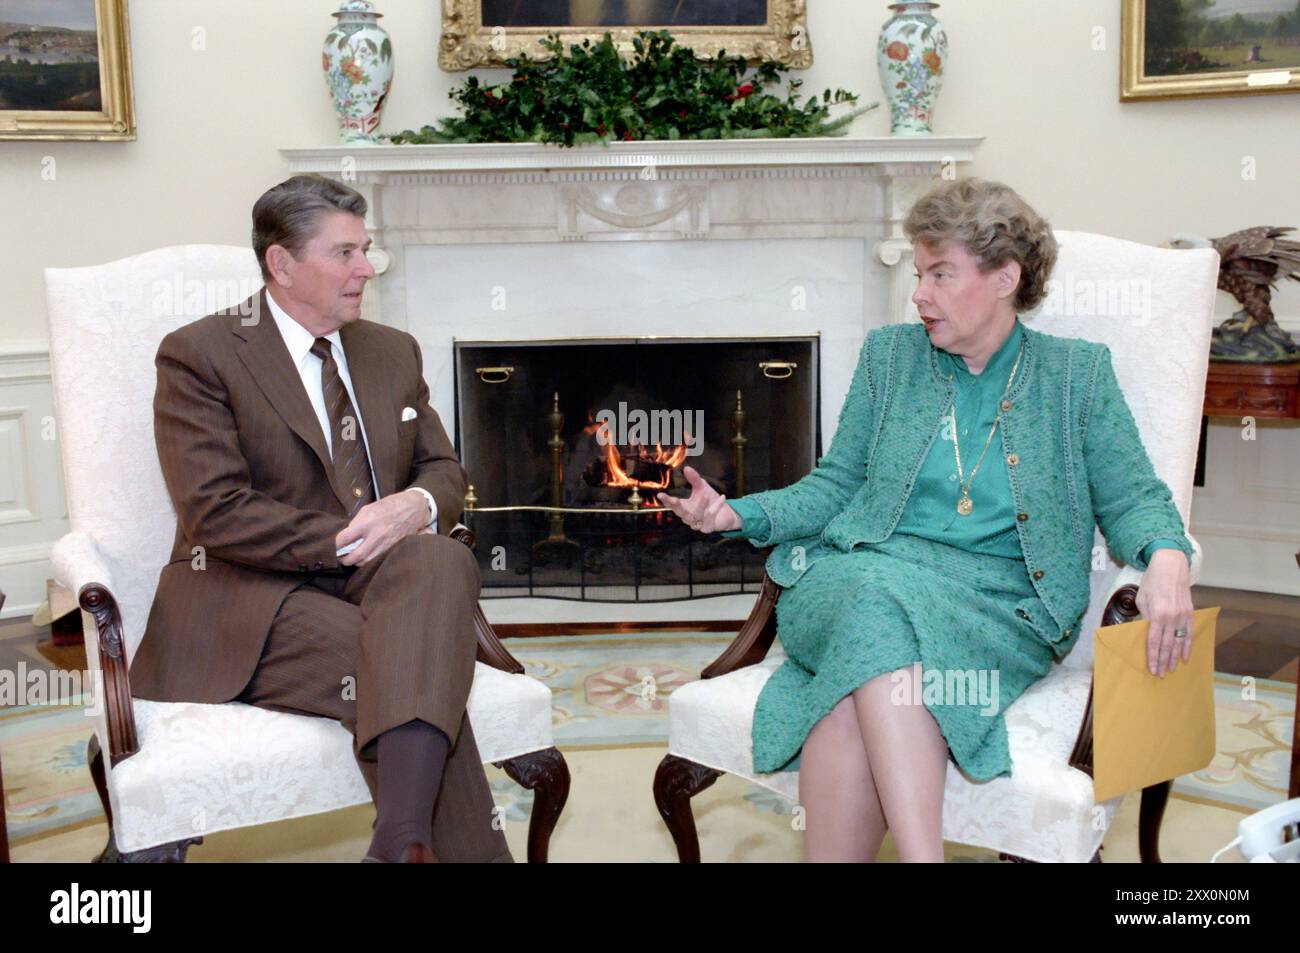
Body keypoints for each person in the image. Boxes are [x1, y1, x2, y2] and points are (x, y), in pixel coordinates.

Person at [658, 178, 1196, 863]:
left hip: (997, 610)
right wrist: (736, 512)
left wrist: (1168, 556)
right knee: (876, 603)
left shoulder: (1076, 377)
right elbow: (838, 483)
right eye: (919, 274)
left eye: (941, 274)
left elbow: (1132, 496)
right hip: (857, 579)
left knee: (846, 709)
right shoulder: (890, 358)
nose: (919, 294)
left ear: (1005, 278)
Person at [131, 174, 511, 863]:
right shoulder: (201, 354)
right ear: (281, 263)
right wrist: (352, 537)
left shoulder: (391, 350)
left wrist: (416, 505)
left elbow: (444, 470)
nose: (367, 268)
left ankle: (396, 844)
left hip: (386, 584)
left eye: (366, 249)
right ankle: (408, 842)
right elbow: (214, 509)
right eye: (345, 253)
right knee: (420, 672)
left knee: (439, 555)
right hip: (248, 599)